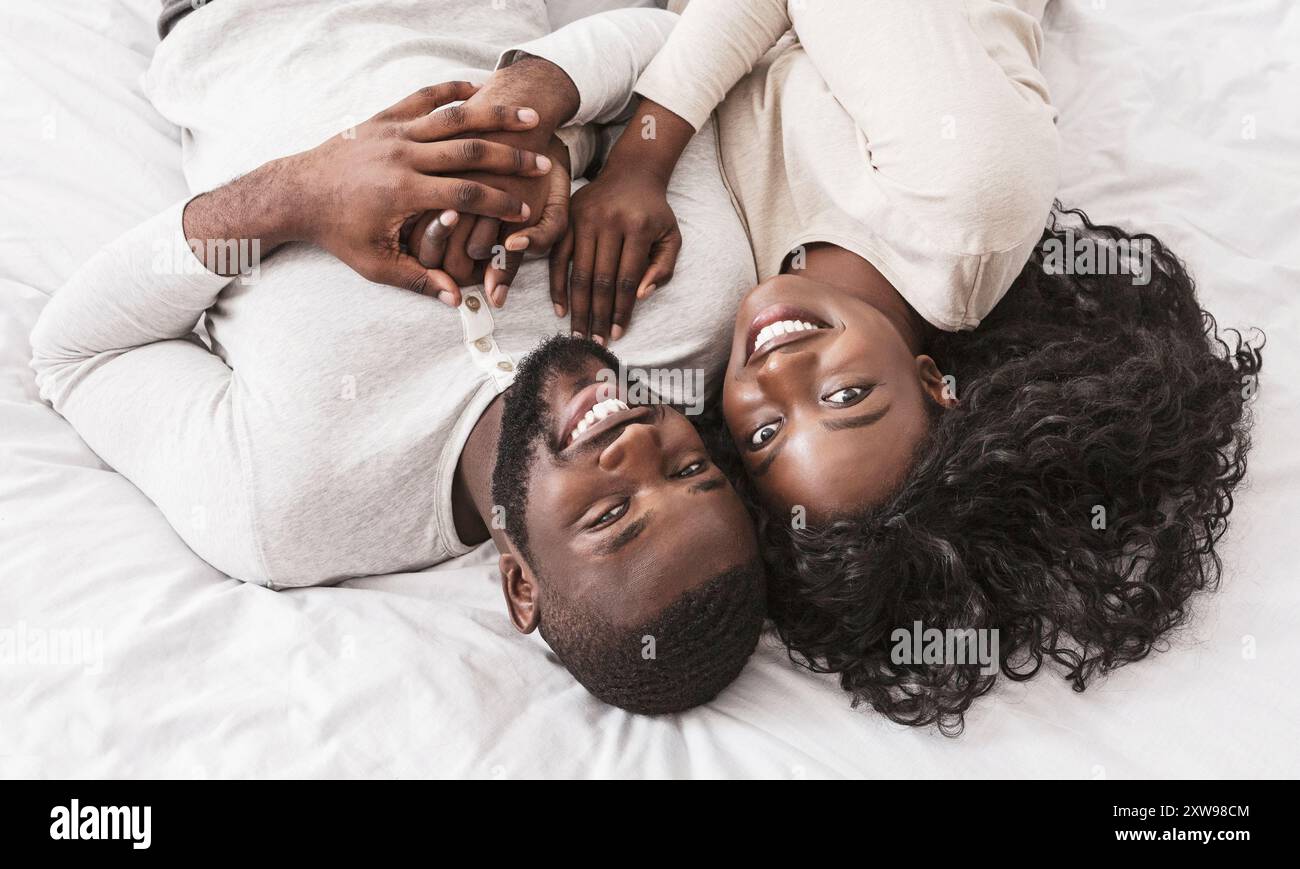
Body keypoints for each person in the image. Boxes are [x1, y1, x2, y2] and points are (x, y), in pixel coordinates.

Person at [28, 1, 768, 714]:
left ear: (521, 586)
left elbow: (76, 351)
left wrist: (298, 192)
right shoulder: (689, 307)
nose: (641, 443)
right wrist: (535, 119)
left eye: (611, 515)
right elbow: (674, 48)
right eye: (690, 469)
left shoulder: (287, 507)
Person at [565, 0, 1262, 730]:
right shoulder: (965, 200)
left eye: (766, 434)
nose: (776, 371)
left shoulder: (726, 301)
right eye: (845, 393)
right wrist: (641, 161)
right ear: (937, 382)